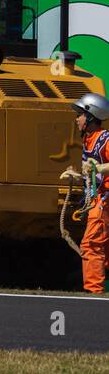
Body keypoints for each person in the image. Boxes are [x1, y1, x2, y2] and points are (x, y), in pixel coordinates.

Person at [63, 93, 109, 294]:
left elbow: (98, 170)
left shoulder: (105, 139)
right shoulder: (89, 141)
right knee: (104, 253)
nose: (77, 118)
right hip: (96, 201)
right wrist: (75, 174)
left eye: (80, 114)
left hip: (104, 202)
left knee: (91, 245)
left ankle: (94, 294)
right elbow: (90, 173)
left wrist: (100, 169)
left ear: (91, 116)